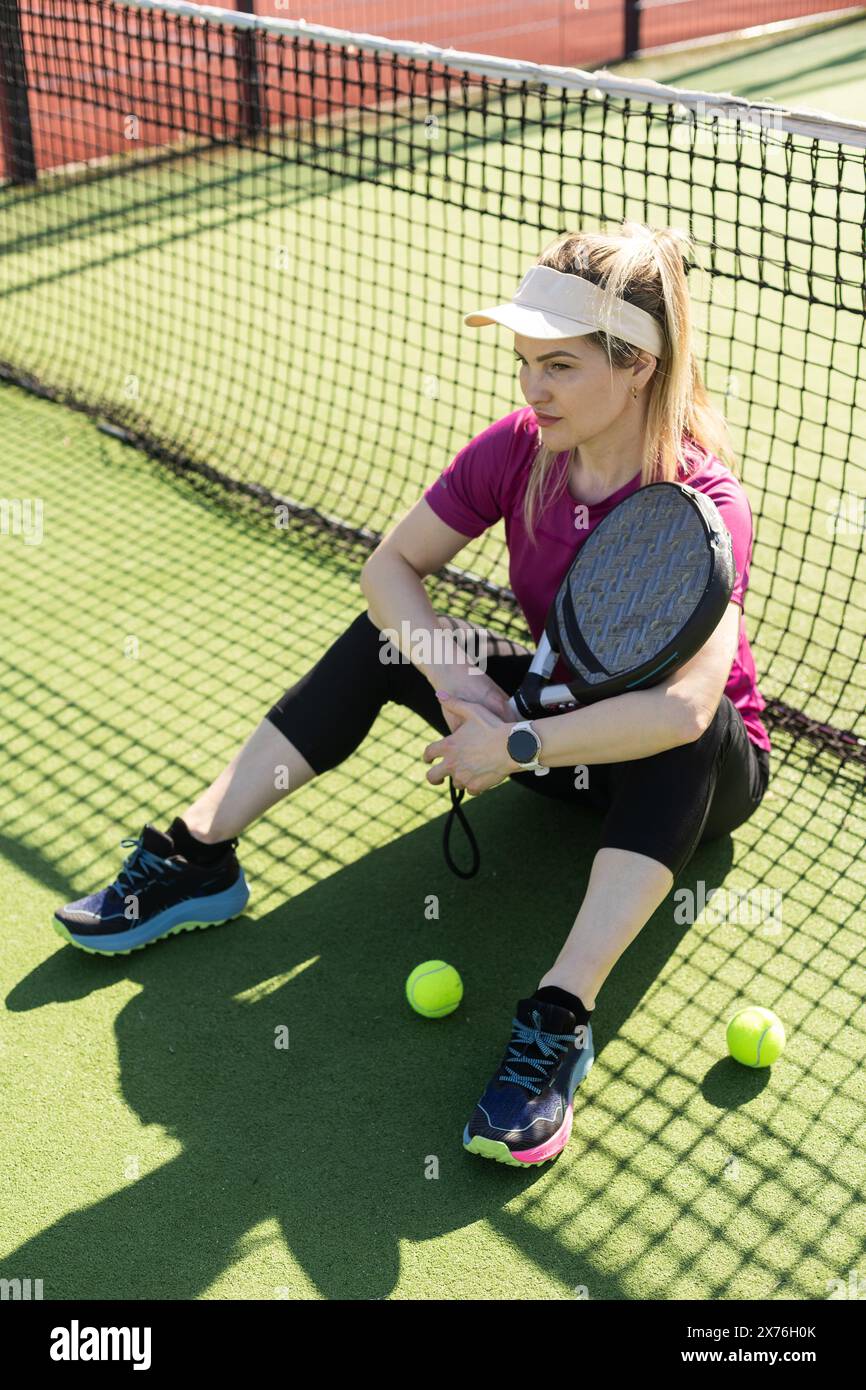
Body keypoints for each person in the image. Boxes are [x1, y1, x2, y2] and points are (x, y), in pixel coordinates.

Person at [54, 220, 771, 1168]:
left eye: (559, 366)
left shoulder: (700, 504)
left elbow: (681, 714)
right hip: (557, 720)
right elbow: (392, 567)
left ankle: (559, 1016)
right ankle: (198, 857)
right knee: (388, 640)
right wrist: (455, 675)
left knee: (691, 726)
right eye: (524, 362)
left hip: (694, 776)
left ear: (637, 365)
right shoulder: (522, 450)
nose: (531, 389)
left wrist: (513, 749)